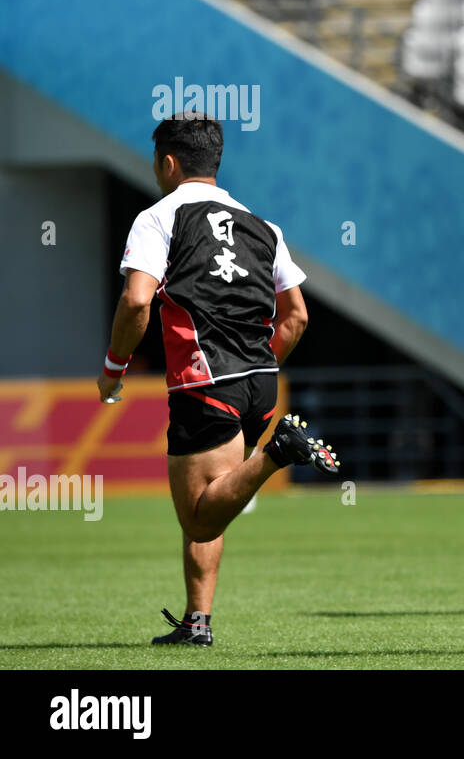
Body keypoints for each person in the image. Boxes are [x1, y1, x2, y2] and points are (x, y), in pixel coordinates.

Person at [97, 115, 339, 647]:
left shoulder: (158, 217)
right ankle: (197, 621)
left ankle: (278, 452)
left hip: (203, 383)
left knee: (199, 517)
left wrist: (114, 368)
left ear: (167, 162)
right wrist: (257, 362)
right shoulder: (262, 225)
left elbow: (137, 299)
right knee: (215, 500)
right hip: (257, 383)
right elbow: (296, 316)